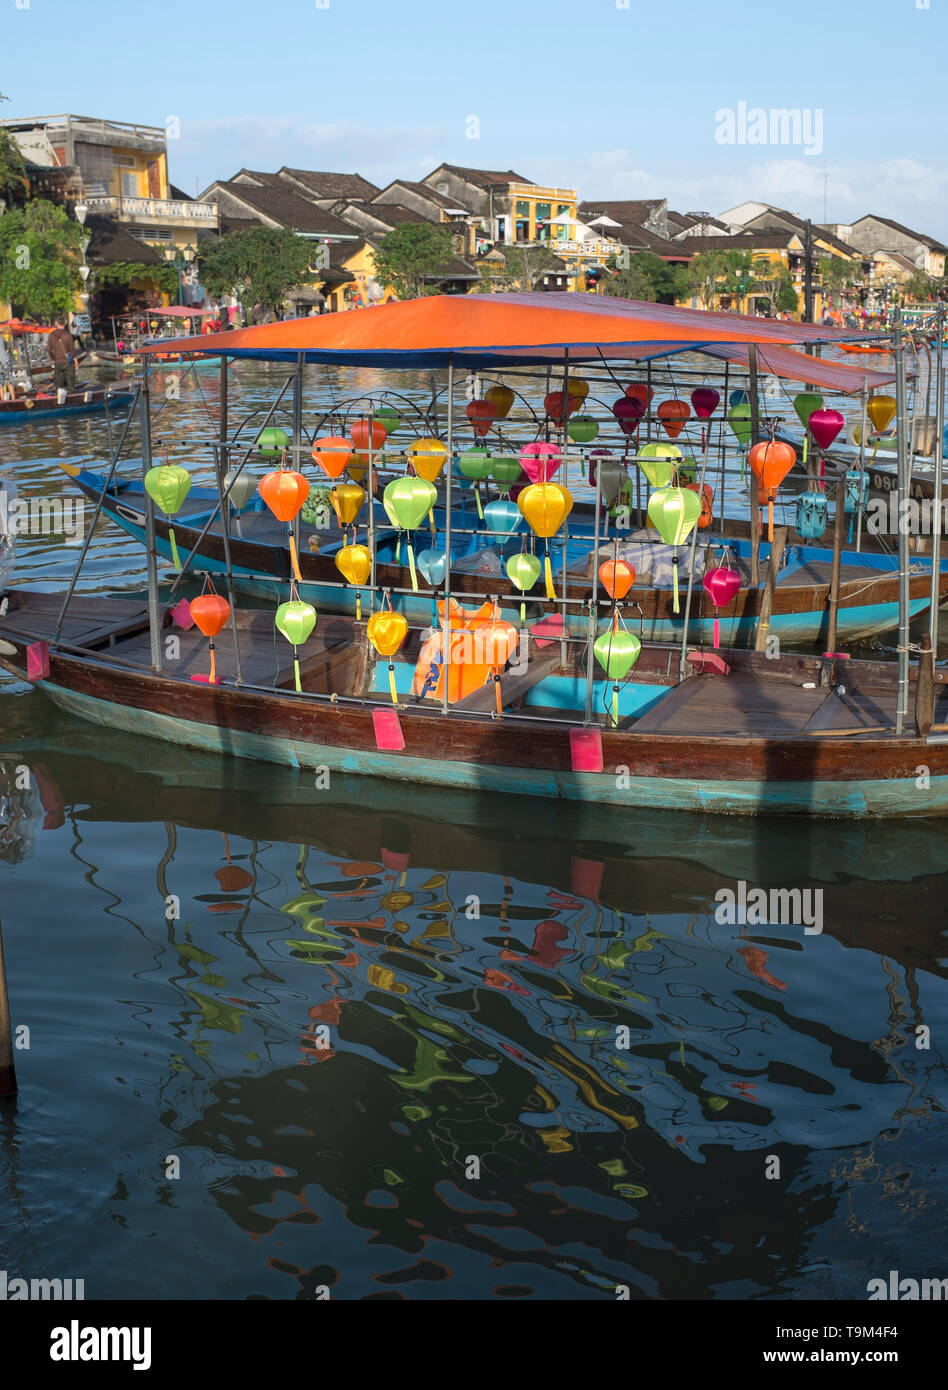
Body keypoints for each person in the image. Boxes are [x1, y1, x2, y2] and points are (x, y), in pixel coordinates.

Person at [47, 315, 77, 396]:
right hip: (68, 362)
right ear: (66, 323)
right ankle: (71, 398)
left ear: (56, 323)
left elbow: (49, 350)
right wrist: (76, 362)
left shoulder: (52, 335)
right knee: (70, 385)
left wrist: (54, 358)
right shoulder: (68, 335)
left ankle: (59, 399)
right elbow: (72, 350)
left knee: (59, 385)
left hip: (58, 362)